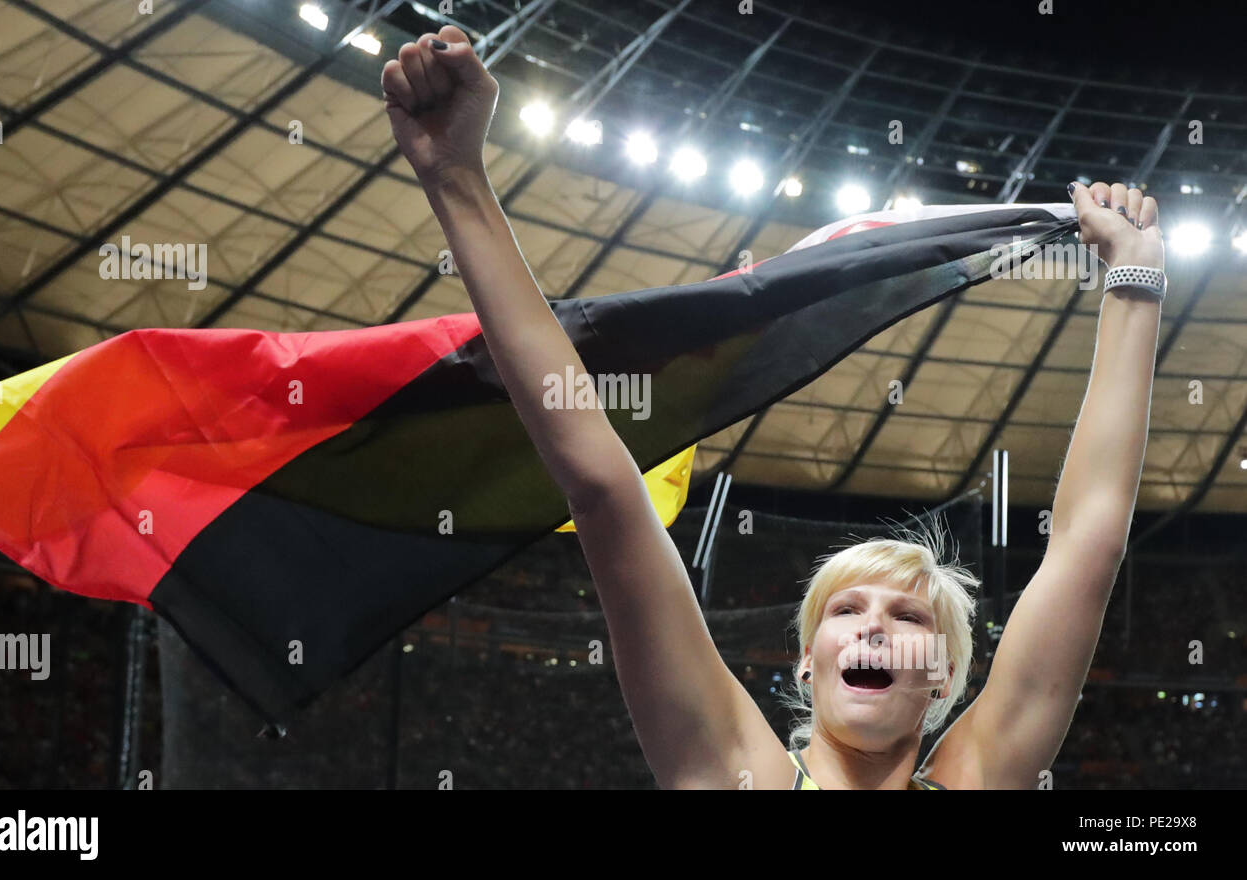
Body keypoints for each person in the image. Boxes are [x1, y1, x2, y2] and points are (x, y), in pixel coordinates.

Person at [382, 26, 1166, 789]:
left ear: (945, 677)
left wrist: (1134, 282)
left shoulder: (981, 777)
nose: (872, 626)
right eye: (848, 609)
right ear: (805, 659)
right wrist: (456, 178)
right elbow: (603, 486)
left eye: (910, 618)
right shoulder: (733, 773)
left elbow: (1089, 543)